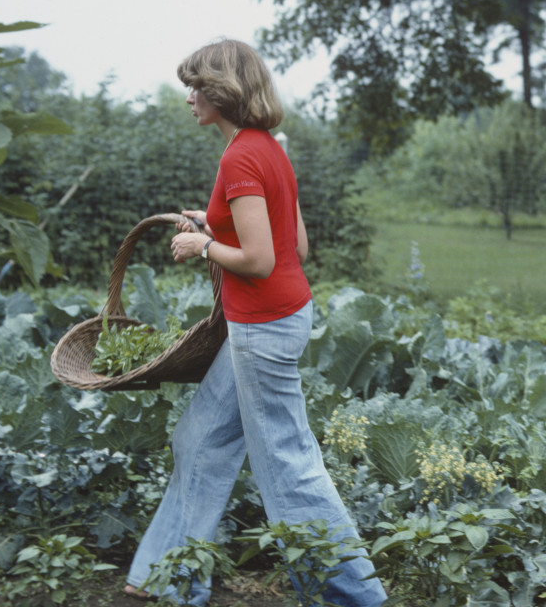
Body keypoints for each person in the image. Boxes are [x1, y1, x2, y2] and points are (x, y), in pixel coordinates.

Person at [123, 39, 387, 607]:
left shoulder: (240, 156)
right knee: (199, 439)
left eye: (197, 86)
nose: (189, 96)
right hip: (278, 317)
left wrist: (201, 246)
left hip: (263, 327)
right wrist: (214, 226)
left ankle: (354, 598)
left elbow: (263, 261)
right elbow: (299, 245)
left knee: (288, 466)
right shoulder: (266, 148)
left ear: (222, 92)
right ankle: (169, 578)